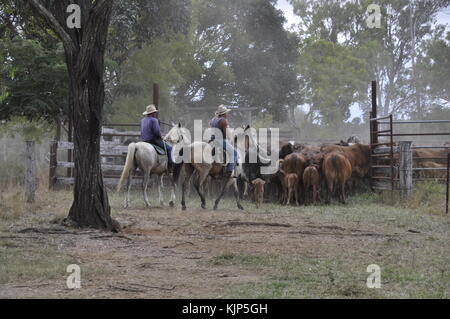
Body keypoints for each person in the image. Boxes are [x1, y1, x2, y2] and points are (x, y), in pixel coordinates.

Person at [209, 105, 239, 177]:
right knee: (235, 153)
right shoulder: (223, 121)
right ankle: (229, 170)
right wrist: (229, 138)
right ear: (224, 113)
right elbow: (224, 134)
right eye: (226, 113)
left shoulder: (213, 120)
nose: (227, 114)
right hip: (221, 140)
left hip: (213, 140)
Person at [140, 104, 173, 169]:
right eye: (155, 112)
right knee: (170, 149)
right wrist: (161, 137)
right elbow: (156, 132)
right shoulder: (154, 120)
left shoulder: (142, 120)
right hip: (153, 140)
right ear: (152, 113)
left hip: (143, 140)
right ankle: (170, 166)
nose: (155, 113)